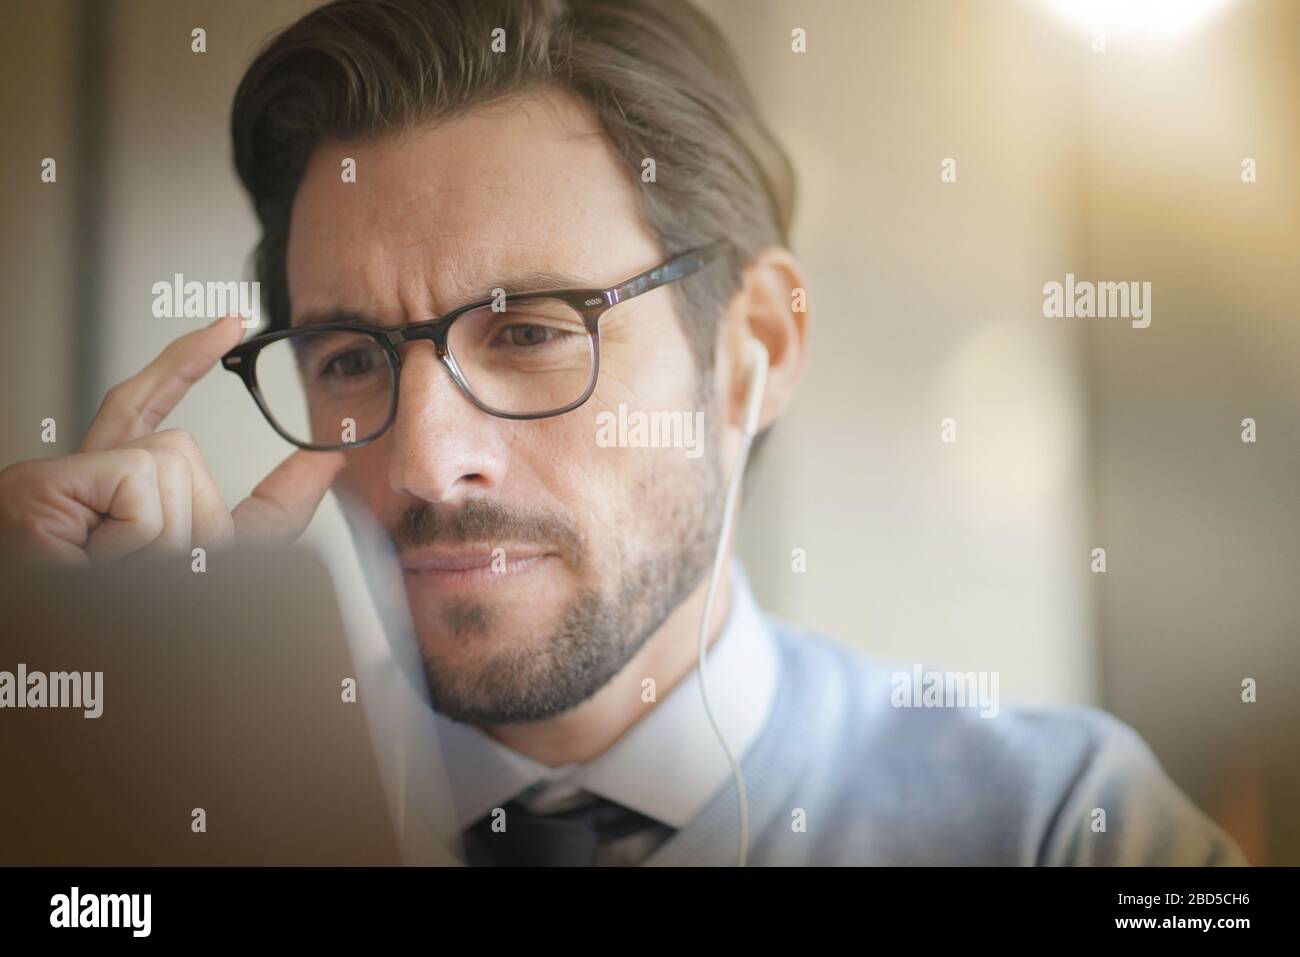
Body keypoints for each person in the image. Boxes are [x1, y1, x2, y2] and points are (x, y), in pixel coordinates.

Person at [0, 0, 1246, 866]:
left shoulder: (1061, 831)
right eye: (352, 359)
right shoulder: (175, 817)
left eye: (533, 331)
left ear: (753, 347)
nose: (427, 462)